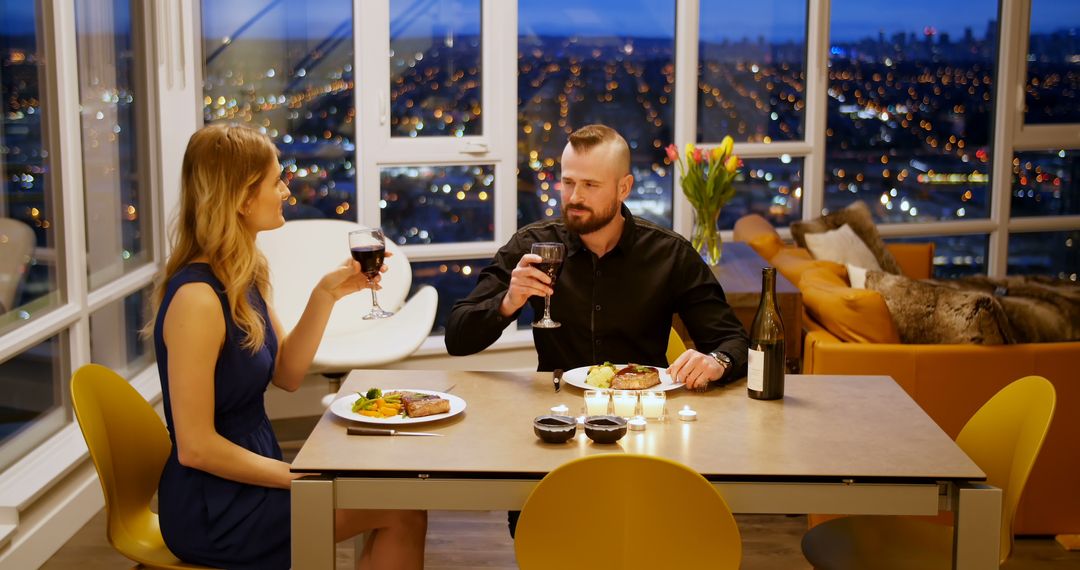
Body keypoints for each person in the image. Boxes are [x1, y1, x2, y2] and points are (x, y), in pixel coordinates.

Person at [148, 124, 426, 570]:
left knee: (397, 500)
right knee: (399, 509)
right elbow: (195, 447)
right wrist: (299, 477)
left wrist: (327, 294)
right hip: (214, 506)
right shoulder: (197, 301)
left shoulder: (244, 274)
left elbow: (288, 375)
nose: (285, 192)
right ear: (240, 197)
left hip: (252, 473)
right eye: (276, 180)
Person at [446, 124, 748, 387]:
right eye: (568, 182)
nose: (575, 197)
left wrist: (718, 361)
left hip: (642, 410)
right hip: (557, 410)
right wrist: (508, 302)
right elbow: (457, 338)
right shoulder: (532, 244)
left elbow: (733, 342)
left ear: (624, 188)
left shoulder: (669, 253)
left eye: (590, 185)